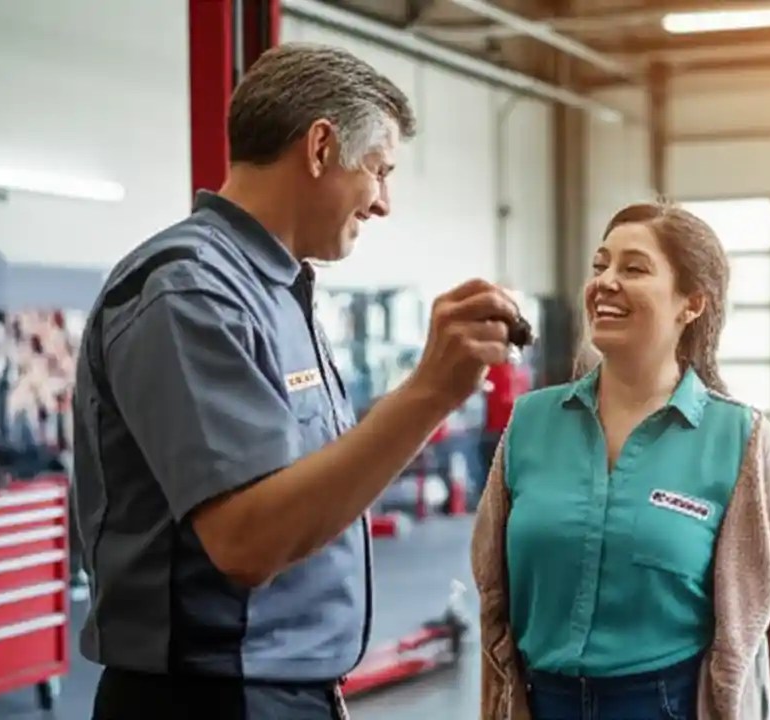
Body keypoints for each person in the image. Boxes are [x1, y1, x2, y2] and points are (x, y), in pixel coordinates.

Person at [71, 42, 519, 720]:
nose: (383, 204)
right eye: (379, 171)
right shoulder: (191, 292)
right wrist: (429, 394)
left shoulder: (276, 293)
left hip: (280, 689)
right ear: (319, 148)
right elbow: (248, 542)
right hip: (209, 699)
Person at [471, 202, 770, 720]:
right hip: (541, 703)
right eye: (600, 265)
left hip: (669, 706)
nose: (606, 282)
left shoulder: (739, 439)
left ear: (692, 304)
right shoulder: (530, 423)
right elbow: (495, 603)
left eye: (633, 268)